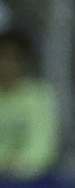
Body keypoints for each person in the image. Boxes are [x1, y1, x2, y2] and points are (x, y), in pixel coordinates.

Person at [0, 28, 57, 180]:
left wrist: (18, 169)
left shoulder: (38, 95)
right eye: (2, 57)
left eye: (13, 58)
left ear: (25, 61)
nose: (6, 64)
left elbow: (40, 145)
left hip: (25, 183)